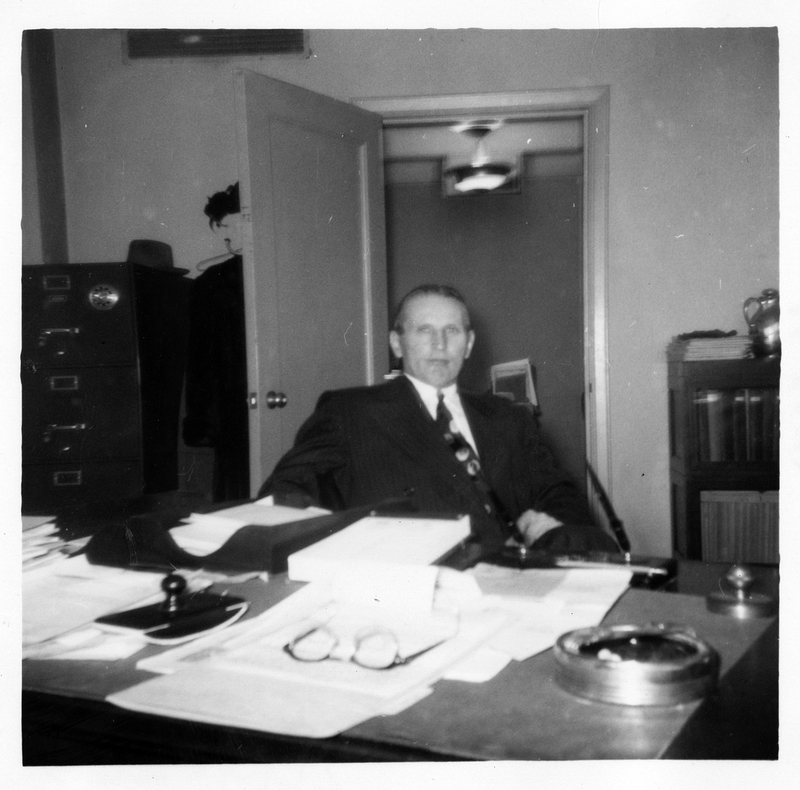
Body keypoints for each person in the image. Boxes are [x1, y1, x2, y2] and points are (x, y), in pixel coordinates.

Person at [259, 284, 617, 555]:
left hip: (513, 579)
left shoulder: (509, 418)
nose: (440, 344)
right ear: (397, 345)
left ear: (469, 343)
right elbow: (286, 492)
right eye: (424, 331)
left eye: (452, 331)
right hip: (410, 583)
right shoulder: (349, 412)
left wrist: (550, 530)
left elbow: (558, 494)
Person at [182, 183, 250, 502]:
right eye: (222, 229)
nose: (227, 237)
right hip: (233, 415)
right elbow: (201, 361)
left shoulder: (287, 276)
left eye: (231, 226)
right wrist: (203, 423)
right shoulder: (211, 285)